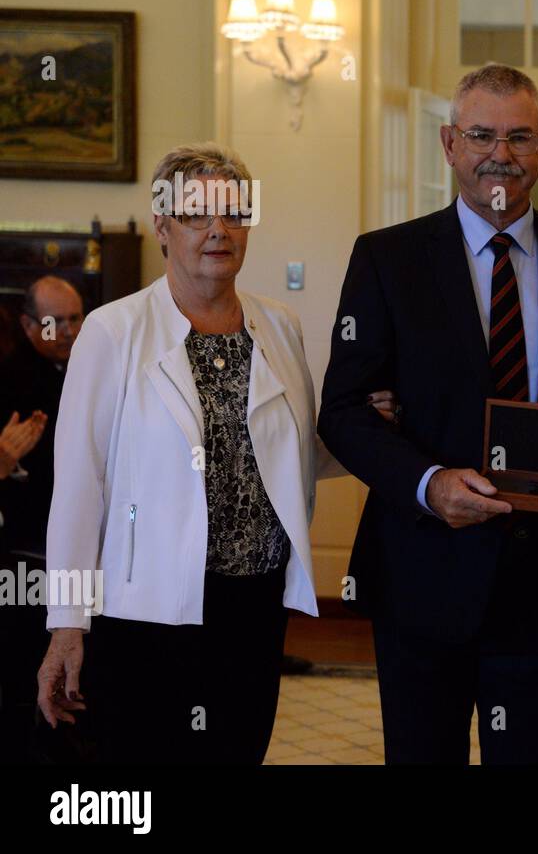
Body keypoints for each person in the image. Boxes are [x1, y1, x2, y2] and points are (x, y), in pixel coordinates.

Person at [319, 63, 538, 765]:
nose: (499, 153)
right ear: (449, 144)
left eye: (518, 136)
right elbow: (345, 410)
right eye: (481, 135)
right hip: (420, 569)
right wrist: (428, 482)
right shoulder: (387, 259)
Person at [34, 143, 394, 764]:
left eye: (232, 213)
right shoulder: (112, 332)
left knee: (236, 752)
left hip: (252, 603)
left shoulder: (277, 324)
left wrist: (365, 427)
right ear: (163, 225)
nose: (218, 231)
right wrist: (67, 622)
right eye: (198, 216)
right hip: (147, 607)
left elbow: (290, 454)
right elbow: (77, 488)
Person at [0, 278, 74, 760]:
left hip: (79, 554)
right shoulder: (8, 379)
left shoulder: (88, 368)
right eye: (56, 321)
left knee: (75, 673)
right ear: (27, 324)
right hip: (23, 557)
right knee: (23, 677)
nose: (69, 329)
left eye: (76, 318)